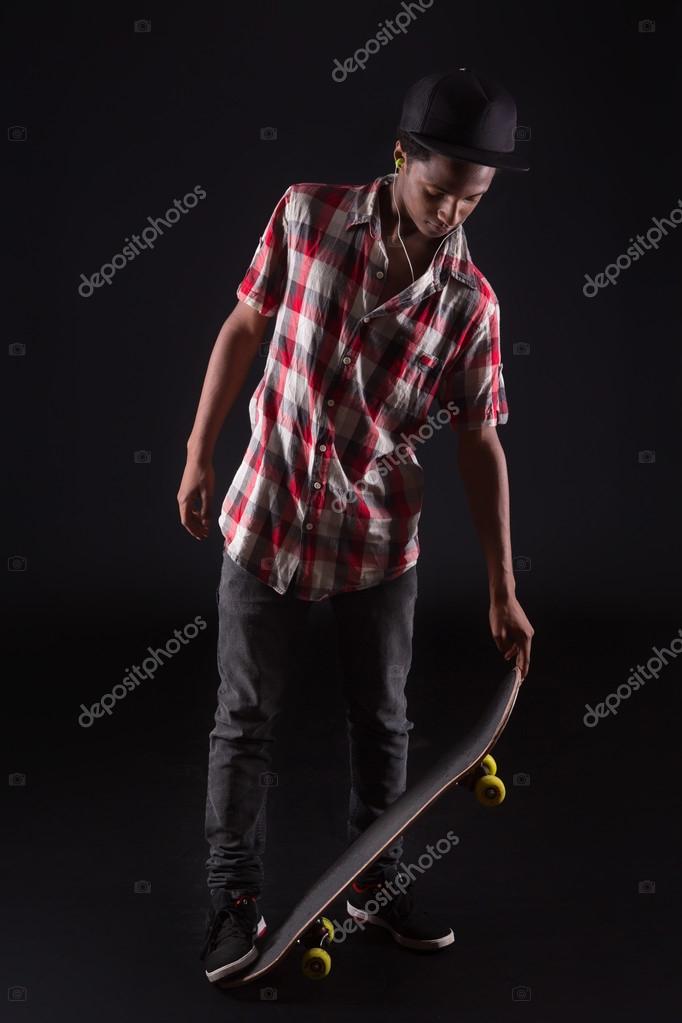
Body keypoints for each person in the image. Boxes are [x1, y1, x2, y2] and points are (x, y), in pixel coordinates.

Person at [177, 67, 535, 984]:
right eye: (437, 189)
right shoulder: (305, 215)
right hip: (267, 512)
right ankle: (233, 899)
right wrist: (197, 455)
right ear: (400, 158)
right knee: (244, 717)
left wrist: (502, 583)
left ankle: (375, 885)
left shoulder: (471, 306)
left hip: (377, 538)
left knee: (382, 722)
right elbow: (242, 329)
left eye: (473, 198)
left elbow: (480, 442)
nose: (452, 211)